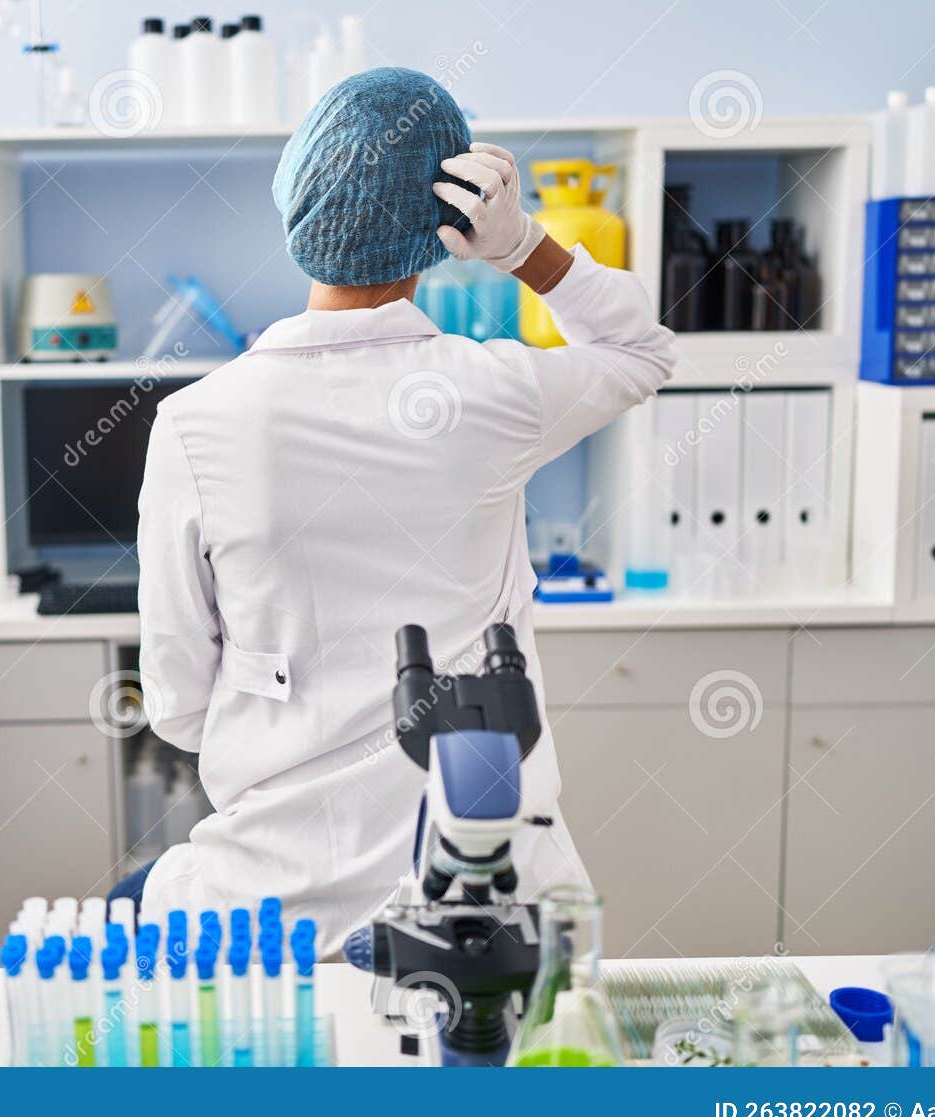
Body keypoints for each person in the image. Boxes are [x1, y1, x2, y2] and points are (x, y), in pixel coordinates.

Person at [122, 67, 675, 952]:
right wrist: (523, 245)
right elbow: (642, 349)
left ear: (296, 199)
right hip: (491, 902)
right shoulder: (493, 390)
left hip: (275, 909)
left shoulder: (194, 425)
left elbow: (179, 708)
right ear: (443, 223)